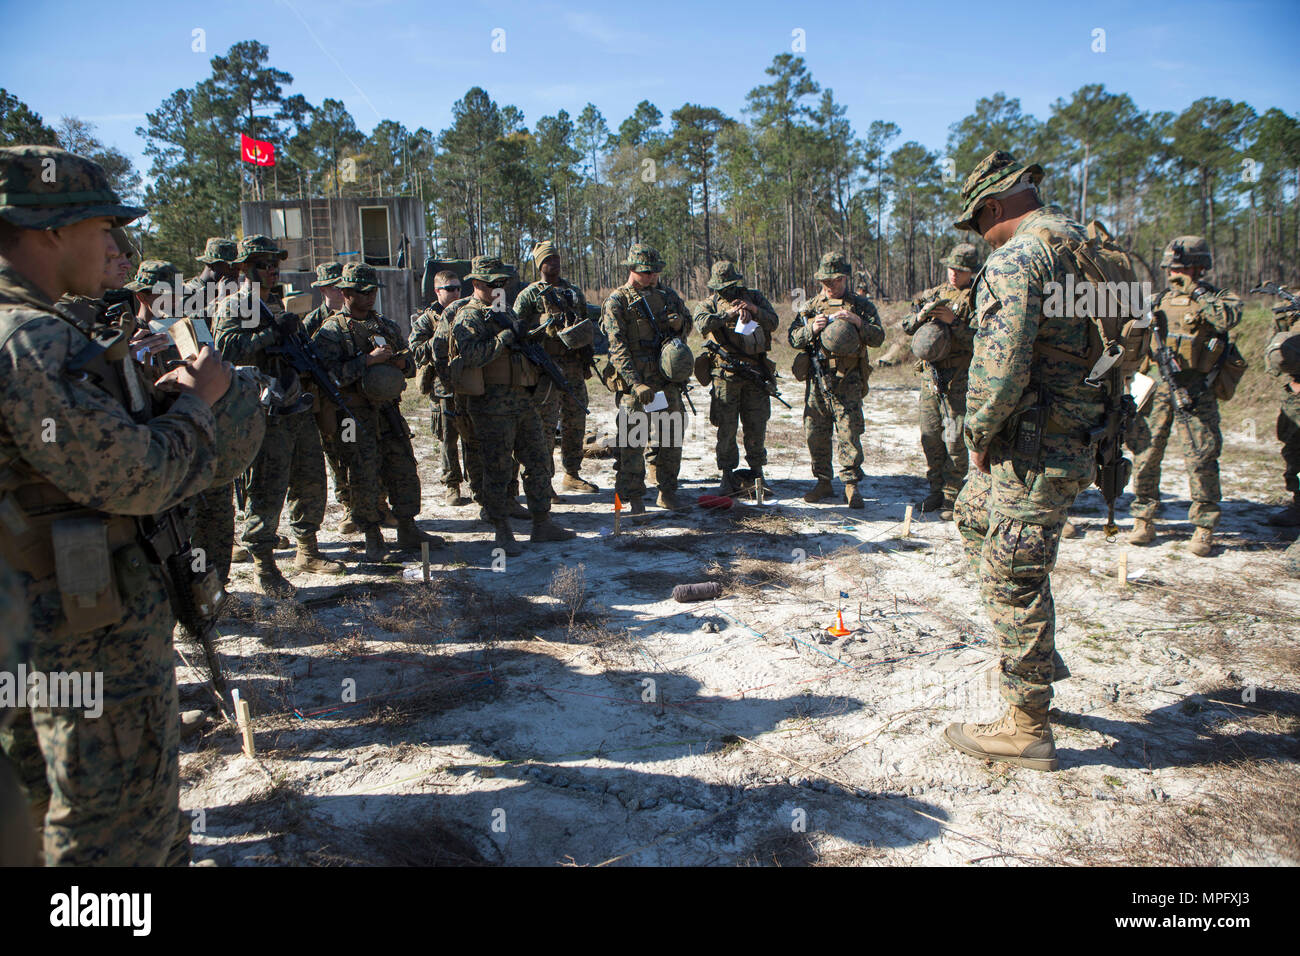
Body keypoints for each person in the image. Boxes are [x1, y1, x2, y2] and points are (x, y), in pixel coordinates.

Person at [0, 145, 264, 864]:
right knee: (115, 834)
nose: (118, 246)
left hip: (30, 623)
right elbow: (136, 478)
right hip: (78, 628)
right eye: (104, 228)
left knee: (43, 810)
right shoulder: (33, 338)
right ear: (47, 229)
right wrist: (198, 403)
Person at [944, 150, 1103, 772]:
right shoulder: (1089, 247)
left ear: (994, 207)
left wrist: (978, 432)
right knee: (973, 517)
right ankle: (1036, 660)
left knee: (1013, 576)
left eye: (976, 222)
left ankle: (1027, 725)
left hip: (1032, 446)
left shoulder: (1020, 258)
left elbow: (1001, 363)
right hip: (1074, 430)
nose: (977, 237)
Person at [212, 235, 343, 595]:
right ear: (243, 268)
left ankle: (308, 549)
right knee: (268, 487)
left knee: (310, 478)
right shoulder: (237, 305)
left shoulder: (277, 304)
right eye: (262, 264)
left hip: (295, 406)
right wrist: (271, 333)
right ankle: (263, 566)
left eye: (274, 264)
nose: (271, 270)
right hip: (262, 412)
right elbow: (225, 349)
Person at [311, 263, 440, 560]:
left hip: (387, 412)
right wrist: (366, 362)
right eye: (362, 292)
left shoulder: (384, 325)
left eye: (372, 292)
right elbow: (327, 377)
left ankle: (407, 526)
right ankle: (372, 536)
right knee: (363, 473)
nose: (369, 297)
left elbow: (410, 362)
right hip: (353, 416)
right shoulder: (331, 332)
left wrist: (400, 363)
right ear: (345, 293)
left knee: (403, 467)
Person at [449, 255, 575, 554]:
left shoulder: (503, 311)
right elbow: (471, 357)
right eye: (493, 284)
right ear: (477, 283)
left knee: (538, 460)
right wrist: (504, 339)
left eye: (503, 284)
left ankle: (541, 522)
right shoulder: (470, 316)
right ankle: (502, 530)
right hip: (490, 404)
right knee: (498, 468)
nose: (499, 289)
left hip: (521, 400)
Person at [1127, 236, 1242, 556]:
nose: (1174, 274)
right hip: (1159, 388)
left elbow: (1227, 319)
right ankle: (1144, 517)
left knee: (1202, 456)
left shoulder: (1217, 299)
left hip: (1196, 390)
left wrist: (1196, 291)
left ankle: (1204, 526)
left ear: (1199, 267)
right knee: (1146, 453)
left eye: (1181, 268)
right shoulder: (1159, 300)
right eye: (1171, 268)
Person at [787, 252, 885, 508]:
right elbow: (793, 338)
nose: (830, 285)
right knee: (816, 432)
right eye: (825, 281)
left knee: (849, 432)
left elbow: (878, 338)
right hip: (818, 380)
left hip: (848, 380)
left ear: (844, 278)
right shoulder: (809, 306)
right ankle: (823, 482)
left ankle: (851, 486)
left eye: (835, 280)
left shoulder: (861, 305)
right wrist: (811, 329)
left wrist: (858, 323)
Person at [601, 243, 693, 512]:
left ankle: (667, 490)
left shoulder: (668, 295)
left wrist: (680, 325)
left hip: (666, 381)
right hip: (637, 385)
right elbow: (617, 347)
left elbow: (687, 326)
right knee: (632, 442)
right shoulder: (618, 301)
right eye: (646, 272)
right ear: (631, 270)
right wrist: (634, 382)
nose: (652, 277)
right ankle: (634, 498)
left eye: (655, 272)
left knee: (671, 436)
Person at [513, 241, 599, 498]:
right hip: (546, 371)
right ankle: (543, 480)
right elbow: (517, 331)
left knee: (576, 422)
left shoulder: (573, 291)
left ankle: (571, 473)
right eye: (549, 260)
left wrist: (586, 358)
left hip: (573, 367)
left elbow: (584, 324)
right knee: (545, 427)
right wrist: (542, 330)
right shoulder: (529, 294)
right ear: (540, 265)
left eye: (557, 258)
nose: (555, 263)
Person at [902, 243, 981, 519]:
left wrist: (954, 322)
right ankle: (935, 489)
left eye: (959, 270)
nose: (953, 274)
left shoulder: (979, 296)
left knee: (955, 438)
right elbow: (906, 326)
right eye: (950, 268)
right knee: (931, 436)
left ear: (970, 271)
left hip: (958, 378)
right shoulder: (934, 294)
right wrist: (921, 315)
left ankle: (952, 494)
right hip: (930, 378)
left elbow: (983, 339)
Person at [691, 260, 780, 496]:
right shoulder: (709, 304)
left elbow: (774, 322)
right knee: (726, 428)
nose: (726, 291)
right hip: (725, 377)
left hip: (754, 375)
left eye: (730, 286)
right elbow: (701, 324)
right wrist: (727, 313)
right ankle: (727, 474)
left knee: (756, 425)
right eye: (721, 287)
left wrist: (754, 310)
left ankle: (757, 472)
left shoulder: (754, 298)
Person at [410, 269, 481, 507]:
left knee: (472, 436)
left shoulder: (469, 313)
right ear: (437, 291)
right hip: (443, 388)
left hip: (468, 385)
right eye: (450, 288)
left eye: (459, 288)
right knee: (448, 439)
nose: (456, 292)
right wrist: (438, 338)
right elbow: (416, 351)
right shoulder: (426, 319)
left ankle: (477, 484)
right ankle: (452, 485)